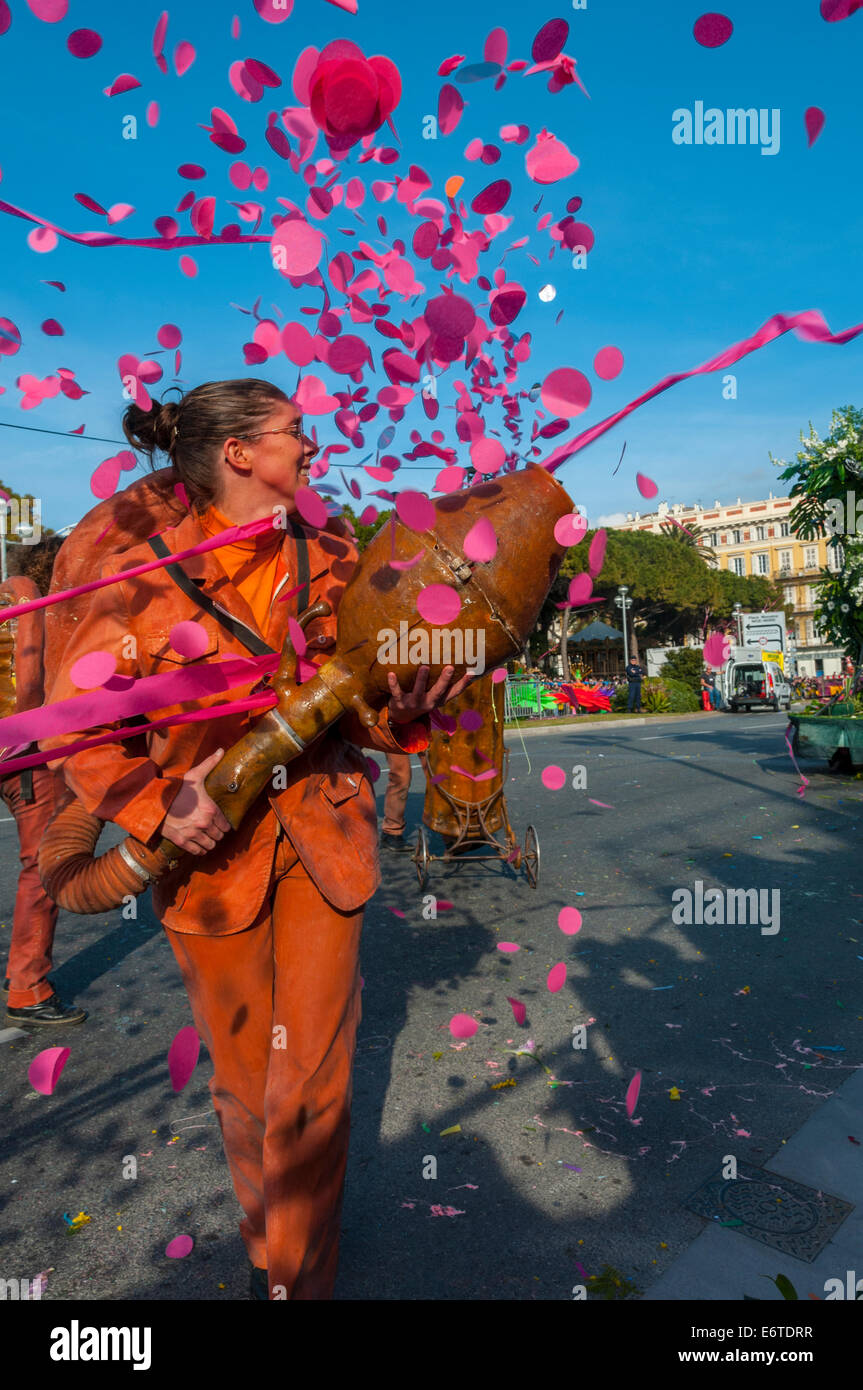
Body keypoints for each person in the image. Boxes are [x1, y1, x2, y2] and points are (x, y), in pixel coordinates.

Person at [41, 379, 473, 1300]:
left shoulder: (335, 558)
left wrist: (404, 711)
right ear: (238, 451)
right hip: (205, 864)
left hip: (325, 839)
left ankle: (299, 1283)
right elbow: (80, 729)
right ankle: (265, 1253)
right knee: (244, 1089)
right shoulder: (140, 573)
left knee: (311, 1085)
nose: (312, 449)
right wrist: (157, 804)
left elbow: (365, 720)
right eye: (294, 435)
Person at [1, 535, 86, 1025]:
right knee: (41, 866)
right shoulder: (45, 607)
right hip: (25, 753)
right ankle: (28, 987)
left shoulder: (6, 599)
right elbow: (38, 681)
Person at [380, 749, 413, 851]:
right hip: (396, 734)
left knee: (438, 773)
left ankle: (450, 830)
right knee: (401, 776)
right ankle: (391, 830)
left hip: (429, 733)